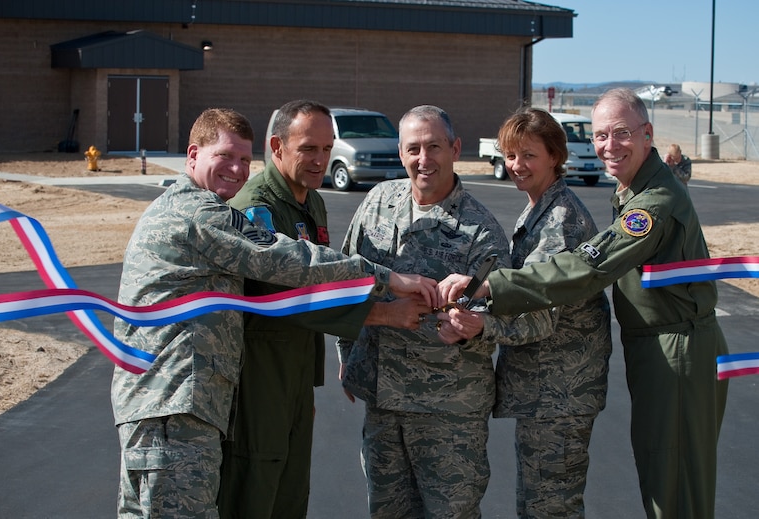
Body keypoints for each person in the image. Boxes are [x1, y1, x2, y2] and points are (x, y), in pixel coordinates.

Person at [111, 107, 438, 518]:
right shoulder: (198, 214)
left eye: (244, 160)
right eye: (224, 156)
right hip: (173, 407)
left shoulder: (201, 206)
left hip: (180, 405)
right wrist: (387, 281)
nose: (236, 169)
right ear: (192, 155)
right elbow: (286, 261)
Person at [440, 88, 729, 519]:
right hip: (658, 347)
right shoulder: (635, 190)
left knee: (675, 483)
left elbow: (583, 270)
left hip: (675, 350)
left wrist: (489, 289)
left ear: (648, 134)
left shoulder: (653, 202)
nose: (609, 146)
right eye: (600, 136)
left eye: (621, 134)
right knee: (661, 476)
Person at [217, 100, 431, 518]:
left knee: (292, 489)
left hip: (292, 373)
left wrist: (303, 386)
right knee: (256, 484)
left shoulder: (308, 200)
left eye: (327, 148)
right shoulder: (256, 207)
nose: (320, 160)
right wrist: (384, 314)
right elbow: (281, 298)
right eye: (308, 148)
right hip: (261, 373)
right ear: (277, 146)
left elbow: (326, 281)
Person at [337, 105, 553, 518]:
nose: (424, 159)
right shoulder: (378, 202)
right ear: (400, 153)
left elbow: (522, 317)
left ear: (454, 149)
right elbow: (349, 281)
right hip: (382, 407)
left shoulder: (480, 230)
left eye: (434, 146)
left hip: (448, 414)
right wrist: (347, 356)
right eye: (413, 148)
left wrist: (478, 326)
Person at [493, 107, 612, 517]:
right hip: (547, 393)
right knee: (538, 502)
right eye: (510, 155)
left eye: (529, 155)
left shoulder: (559, 219)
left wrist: (477, 323)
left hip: (559, 394)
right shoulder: (541, 206)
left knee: (551, 507)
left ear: (554, 156)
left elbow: (537, 312)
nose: (516, 165)